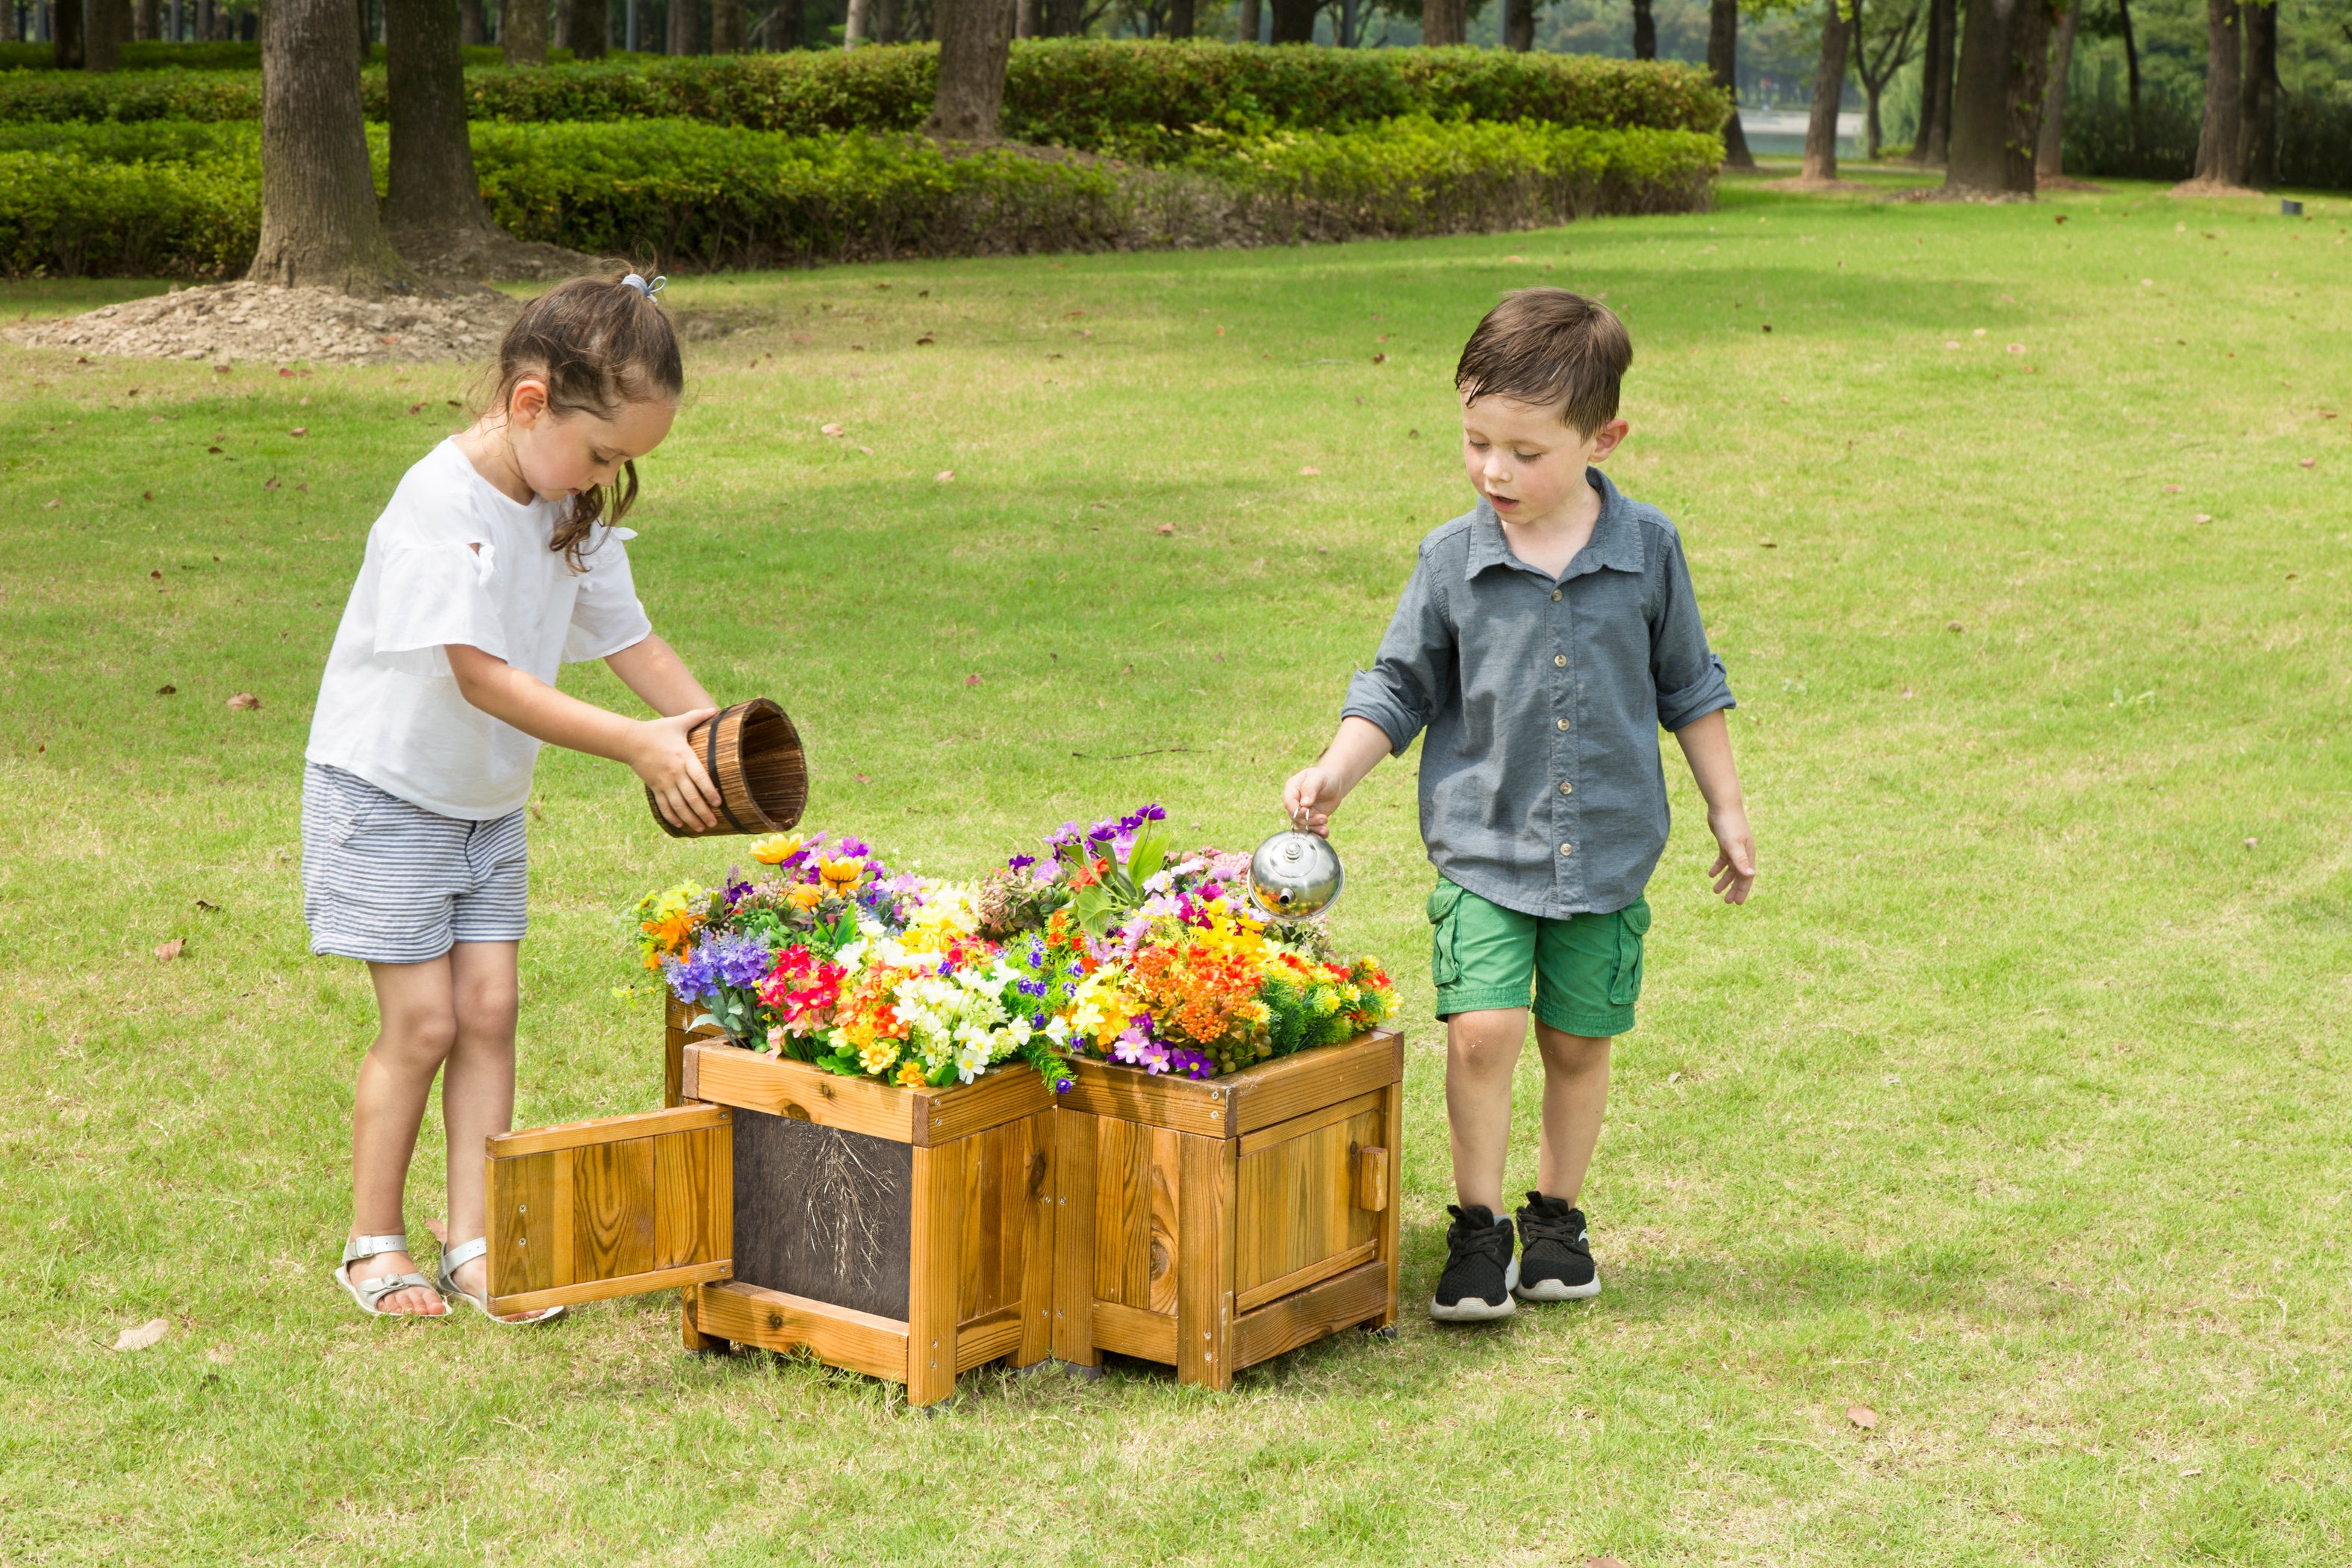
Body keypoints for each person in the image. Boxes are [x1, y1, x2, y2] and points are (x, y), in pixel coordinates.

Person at [1282, 289, 1756, 1322]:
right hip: (1482, 849)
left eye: (1524, 452)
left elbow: (1690, 687)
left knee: (1577, 1045)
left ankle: (1554, 1220)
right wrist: (1333, 768)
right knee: (1482, 1032)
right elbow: (1397, 686)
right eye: (1475, 442)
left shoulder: (1649, 550)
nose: (1494, 471)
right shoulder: (1451, 559)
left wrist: (1726, 807)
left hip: (1610, 852)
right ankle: (1476, 1227)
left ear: (1604, 438)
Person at [306, 272, 725, 1322]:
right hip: (388, 790)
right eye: (604, 454)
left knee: (490, 1009)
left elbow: (630, 640)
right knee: (424, 1025)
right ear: (531, 401)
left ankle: (477, 1240)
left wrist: (717, 744)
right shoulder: (438, 510)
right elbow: (483, 677)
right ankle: (373, 1244)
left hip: (484, 797)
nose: (609, 477)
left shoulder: (563, 503)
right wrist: (638, 746)